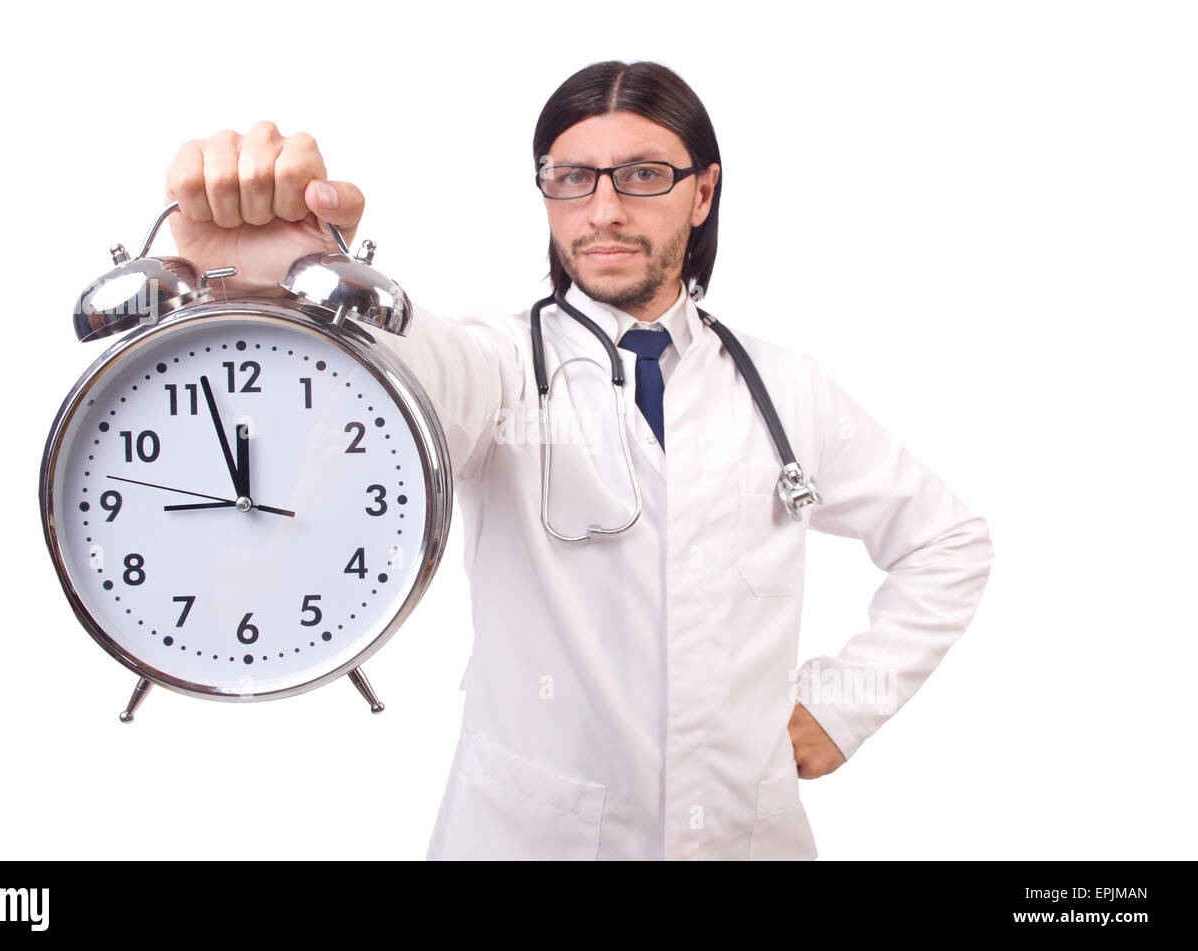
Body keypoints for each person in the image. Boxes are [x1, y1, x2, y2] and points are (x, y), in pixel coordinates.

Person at [164, 60, 994, 860]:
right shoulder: (496, 364)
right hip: (532, 833)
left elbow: (948, 543)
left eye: (641, 175)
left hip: (747, 834)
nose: (601, 211)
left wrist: (844, 706)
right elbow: (409, 368)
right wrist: (292, 274)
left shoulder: (786, 387)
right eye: (572, 178)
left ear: (702, 192)